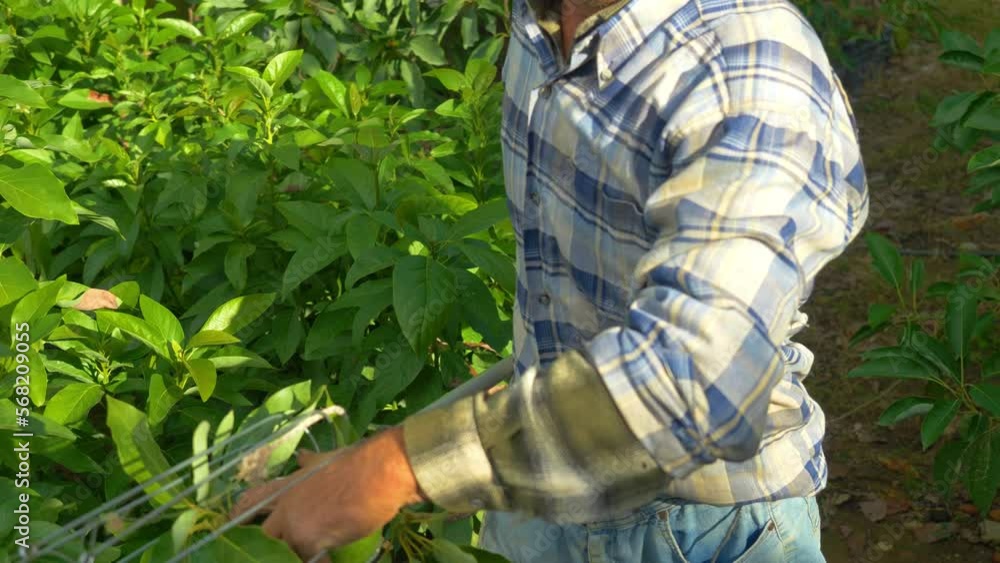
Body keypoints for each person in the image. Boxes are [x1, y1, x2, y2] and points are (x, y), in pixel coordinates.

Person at [233, 0, 868, 561]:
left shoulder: (748, 68)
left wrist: (397, 468)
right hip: (538, 507)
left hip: (695, 527)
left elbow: (697, 380)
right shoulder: (543, 22)